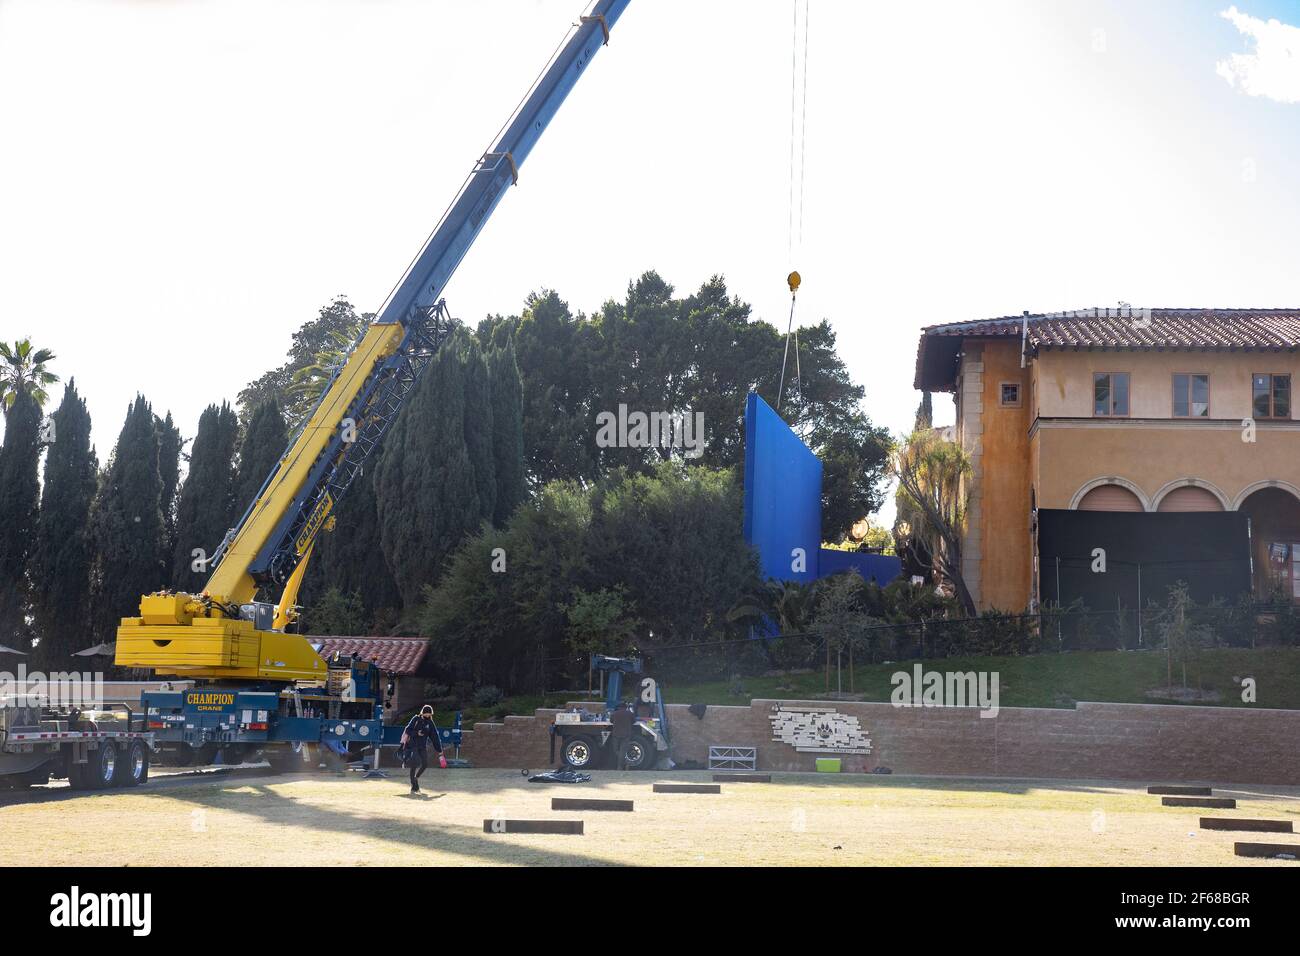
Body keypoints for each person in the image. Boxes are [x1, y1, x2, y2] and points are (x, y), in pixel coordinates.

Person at [401, 704, 445, 793]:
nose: (428, 715)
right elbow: (408, 730)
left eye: (429, 714)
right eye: (426, 713)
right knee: (415, 763)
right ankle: (414, 786)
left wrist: (439, 750)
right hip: (413, 745)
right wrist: (417, 733)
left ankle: (416, 778)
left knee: (425, 764)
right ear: (423, 713)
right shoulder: (416, 719)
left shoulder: (430, 723)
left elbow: (435, 737)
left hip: (422, 746)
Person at [609, 702, 634, 771]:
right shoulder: (629, 713)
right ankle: (624, 764)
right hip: (626, 734)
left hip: (616, 734)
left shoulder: (614, 714)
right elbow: (633, 721)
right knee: (622, 751)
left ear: (618, 707)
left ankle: (620, 766)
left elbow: (611, 721)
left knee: (616, 750)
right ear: (625, 707)